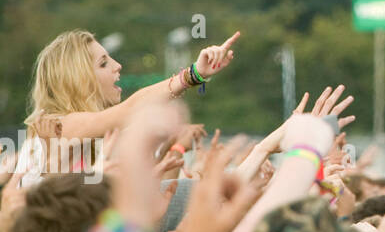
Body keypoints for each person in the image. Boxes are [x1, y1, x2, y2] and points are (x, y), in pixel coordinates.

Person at [21, 29, 241, 174]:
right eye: (103, 63)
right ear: (78, 79)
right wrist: (192, 75)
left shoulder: (92, 134)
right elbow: (133, 107)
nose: (118, 65)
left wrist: (173, 147)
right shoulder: (59, 125)